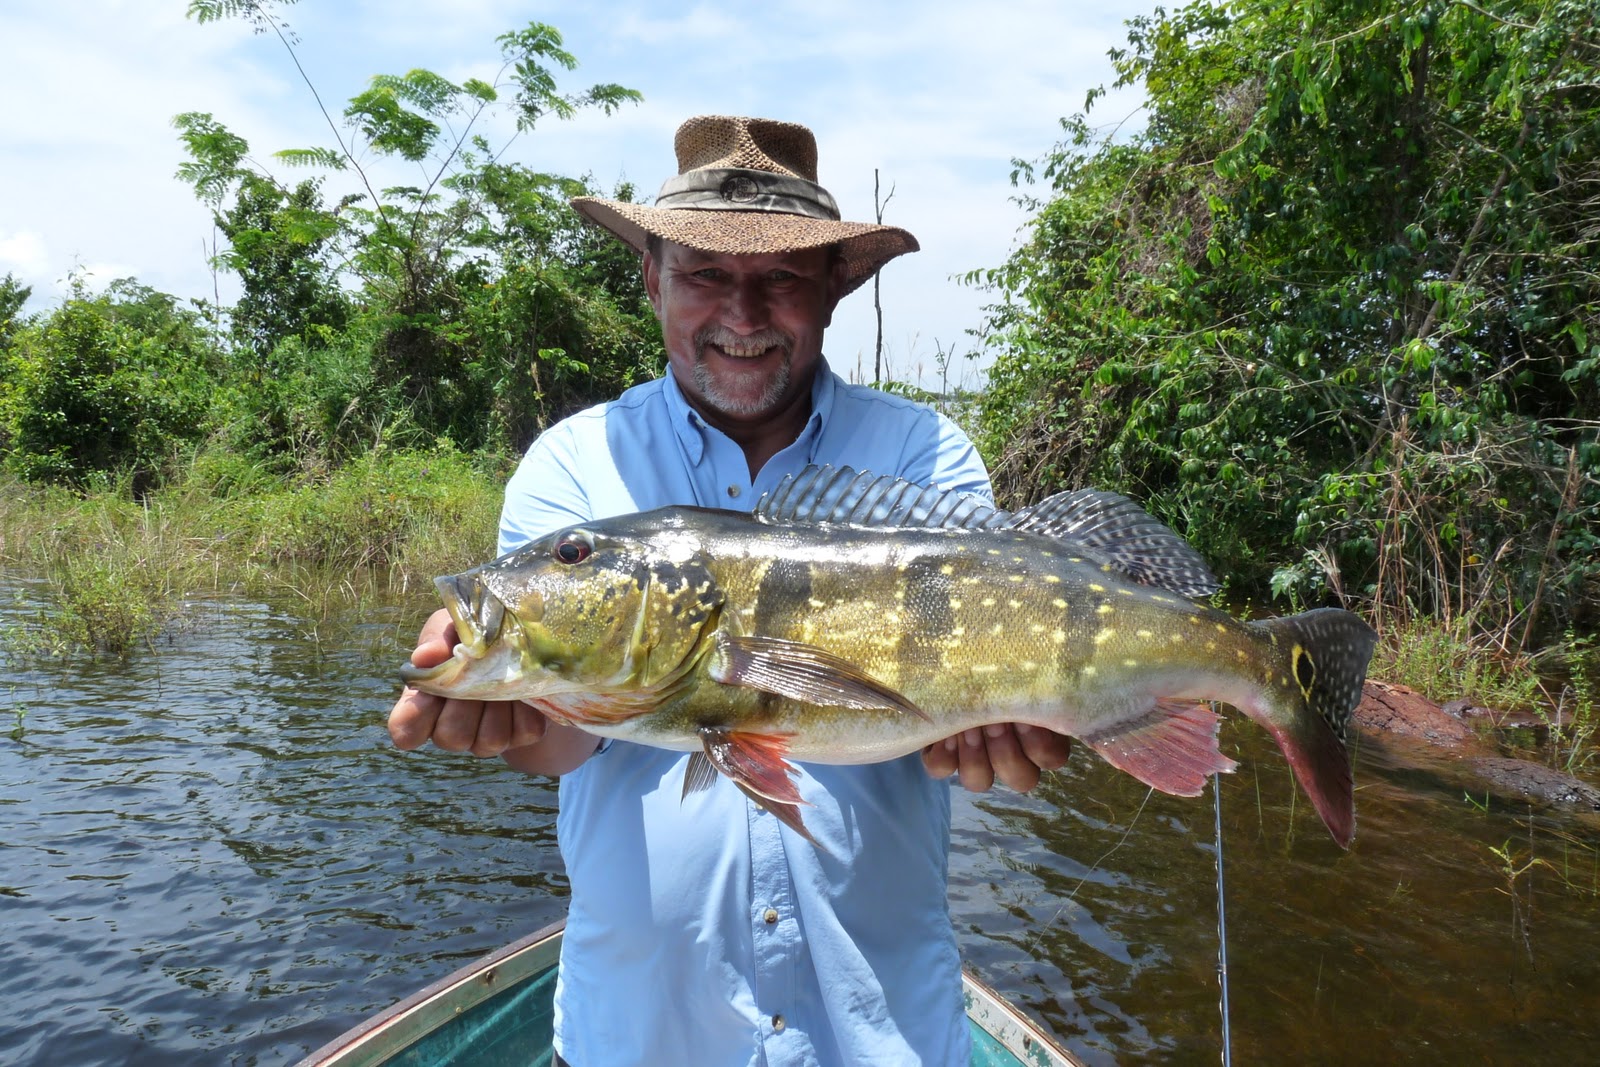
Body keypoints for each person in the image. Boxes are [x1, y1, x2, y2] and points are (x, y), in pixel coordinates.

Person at [388, 114, 1071, 1067]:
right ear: (652, 278)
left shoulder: (923, 456)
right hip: (644, 1033)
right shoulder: (574, 465)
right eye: (705, 272)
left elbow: (976, 712)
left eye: (780, 278)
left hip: (877, 1036)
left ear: (832, 288)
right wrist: (507, 708)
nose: (742, 314)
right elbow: (565, 743)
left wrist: (1000, 740)